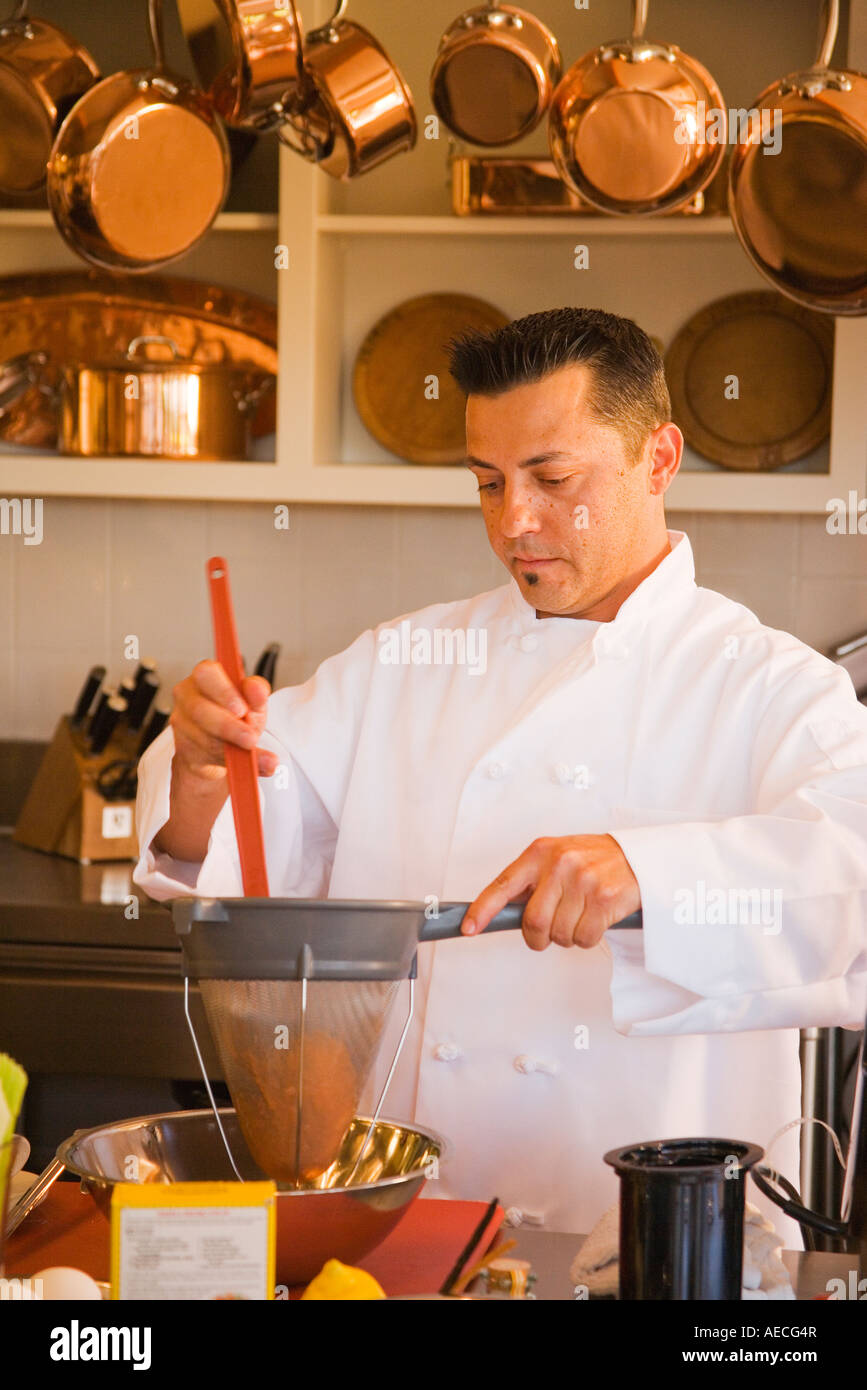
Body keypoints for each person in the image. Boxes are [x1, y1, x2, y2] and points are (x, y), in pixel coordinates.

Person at [134, 307, 867, 1245]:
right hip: (410, 1233)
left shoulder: (768, 684)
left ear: (659, 459)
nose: (514, 520)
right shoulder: (403, 660)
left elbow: (850, 871)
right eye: (487, 482)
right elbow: (227, 850)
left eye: (553, 479)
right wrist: (199, 766)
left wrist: (649, 874)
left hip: (647, 1246)